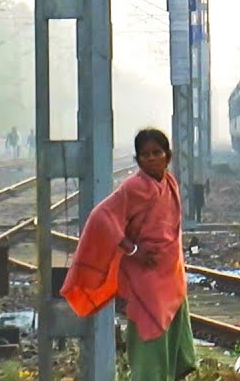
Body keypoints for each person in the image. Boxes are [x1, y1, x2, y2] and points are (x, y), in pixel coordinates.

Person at [61, 128, 196, 379]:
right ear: (138, 160)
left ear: (168, 156)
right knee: (149, 335)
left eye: (157, 152)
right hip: (146, 278)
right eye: (145, 155)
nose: (152, 158)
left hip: (171, 275)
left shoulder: (170, 183)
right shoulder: (134, 187)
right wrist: (132, 250)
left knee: (173, 342)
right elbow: (102, 217)